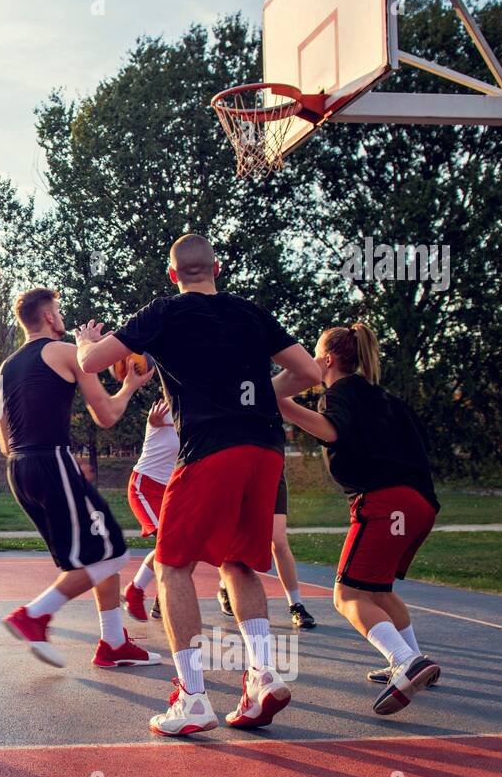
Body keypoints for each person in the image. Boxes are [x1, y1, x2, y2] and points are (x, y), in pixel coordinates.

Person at [76, 234, 321, 736]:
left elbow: (91, 363)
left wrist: (83, 343)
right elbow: (310, 371)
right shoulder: (250, 312)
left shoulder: (163, 311)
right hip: (266, 449)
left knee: (170, 566)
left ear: (172, 274)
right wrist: (255, 397)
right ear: (218, 268)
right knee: (239, 561)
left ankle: (192, 697)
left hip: (211, 448)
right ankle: (263, 676)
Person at [277, 323, 441, 715]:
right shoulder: (382, 397)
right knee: (378, 590)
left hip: (385, 501)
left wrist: (283, 402)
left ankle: (406, 663)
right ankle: (414, 660)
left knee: (346, 595)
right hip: (420, 502)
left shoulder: (341, 393)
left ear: (327, 360)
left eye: (317, 355)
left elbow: (333, 431)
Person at [0, 287, 162, 669]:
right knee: (114, 552)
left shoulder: (6, 367)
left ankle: (114, 643)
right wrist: (129, 387)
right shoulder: (66, 352)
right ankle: (34, 615)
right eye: (57, 310)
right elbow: (106, 415)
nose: (60, 316)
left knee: (92, 554)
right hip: (50, 459)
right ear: (51, 318)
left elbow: (4, 436)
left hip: (18, 468)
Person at [215, 473, 316, 628]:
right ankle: (225, 585)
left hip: (271, 470)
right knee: (240, 538)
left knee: (279, 541)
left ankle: (296, 605)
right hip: (238, 471)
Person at [123, 392, 178, 622]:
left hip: (171, 490)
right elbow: (156, 418)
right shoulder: (164, 412)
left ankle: (156, 596)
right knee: (167, 544)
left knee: (181, 549)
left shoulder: (193, 417)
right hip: (144, 486)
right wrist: (153, 420)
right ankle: (134, 591)